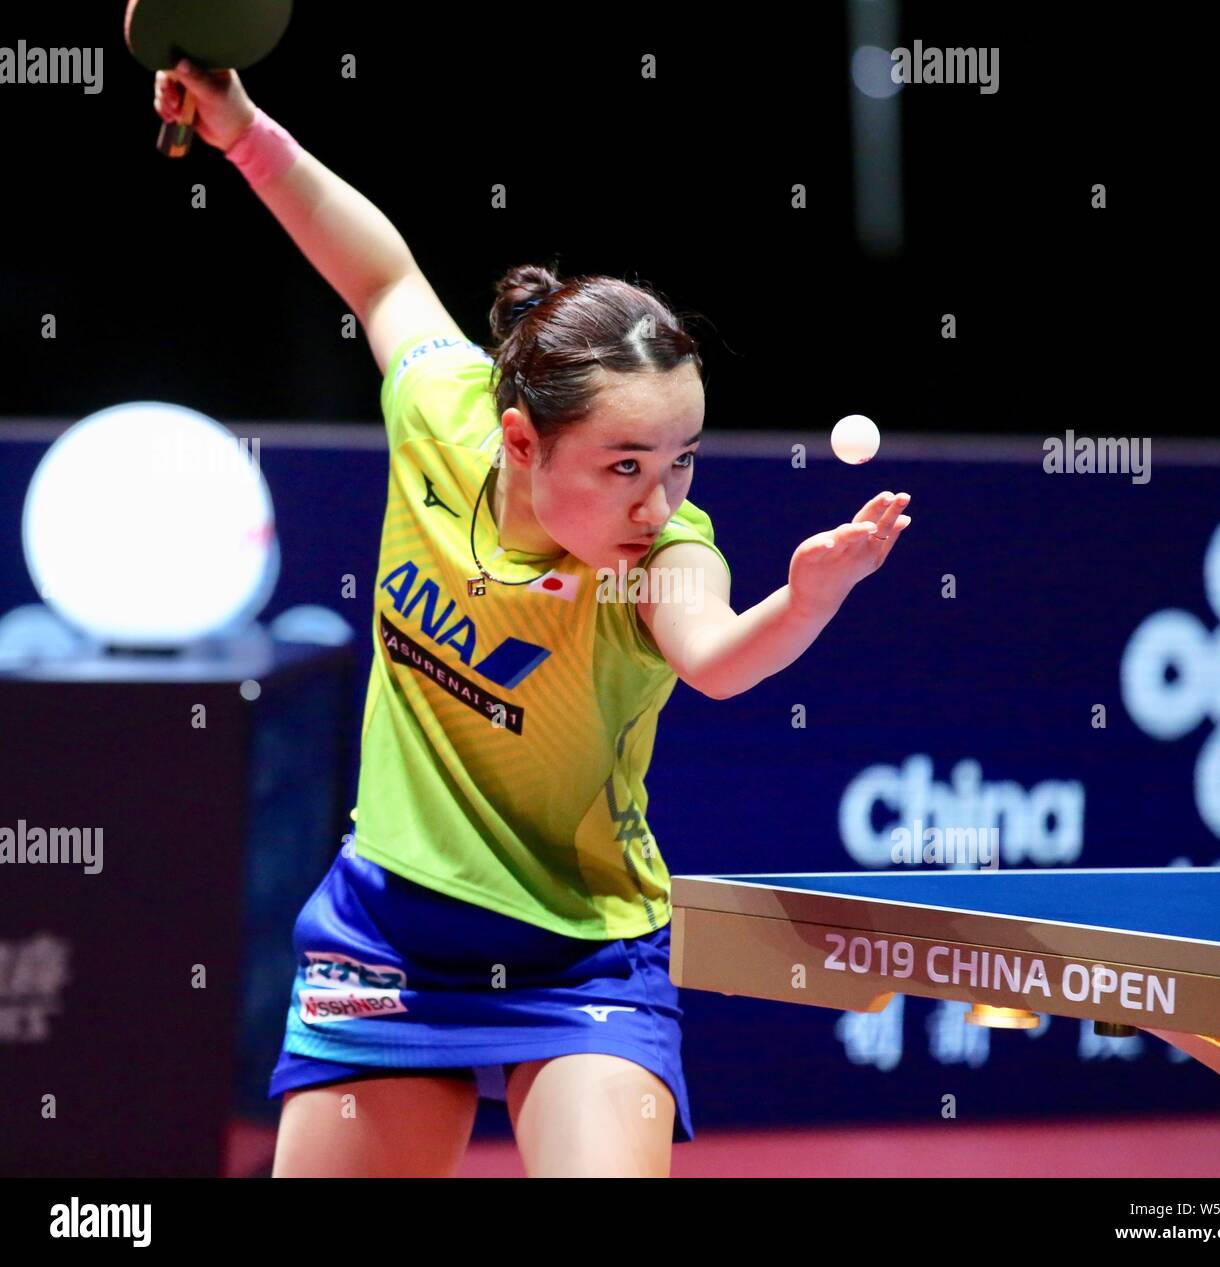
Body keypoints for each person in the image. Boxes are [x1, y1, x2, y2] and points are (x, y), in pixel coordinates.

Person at [153, 62, 913, 1179]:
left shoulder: (661, 556)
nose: (658, 499)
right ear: (518, 442)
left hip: (582, 956)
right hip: (390, 936)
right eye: (623, 465)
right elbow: (378, 274)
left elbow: (713, 658)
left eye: (680, 462)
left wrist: (806, 599)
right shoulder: (442, 412)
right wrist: (244, 131)